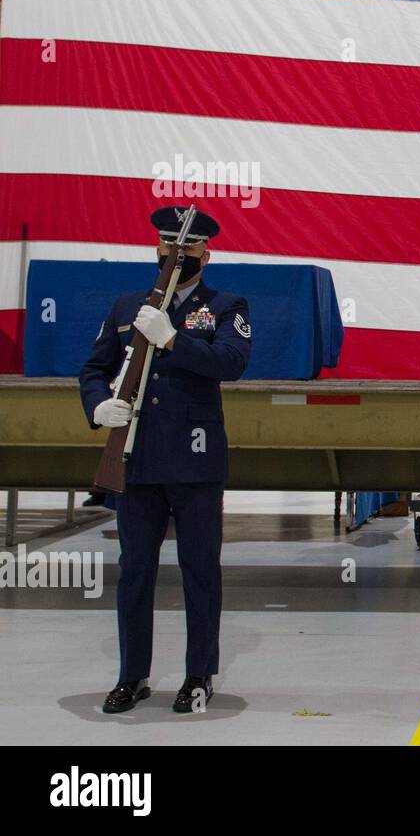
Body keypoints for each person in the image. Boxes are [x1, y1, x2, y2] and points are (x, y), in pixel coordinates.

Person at [79, 206, 251, 714]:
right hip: (137, 459)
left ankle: (199, 674)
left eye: (187, 247)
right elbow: (94, 368)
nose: (175, 255)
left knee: (200, 571)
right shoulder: (128, 304)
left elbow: (232, 362)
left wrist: (172, 339)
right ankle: (132, 675)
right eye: (167, 244)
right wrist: (98, 407)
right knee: (135, 572)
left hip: (195, 461)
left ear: (205, 253)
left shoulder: (223, 304)